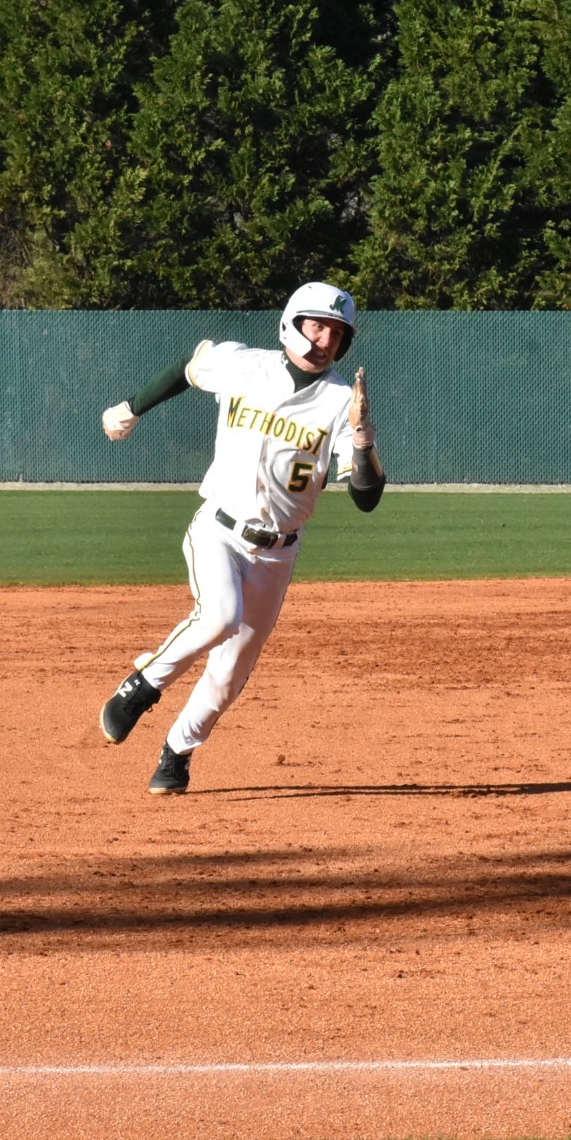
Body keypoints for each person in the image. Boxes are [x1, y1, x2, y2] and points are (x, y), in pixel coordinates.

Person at [95, 281, 385, 794]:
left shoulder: (342, 402)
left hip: (278, 553)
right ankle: (141, 686)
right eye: (317, 326)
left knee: (230, 676)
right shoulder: (243, 365)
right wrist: (132, 406)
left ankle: (177, 752)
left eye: (337, 333)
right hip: (220, 529)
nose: (325, 340)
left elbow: (366, 498)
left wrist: (362, 442)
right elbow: (188, 367)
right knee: (220, 616)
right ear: (292, 323)